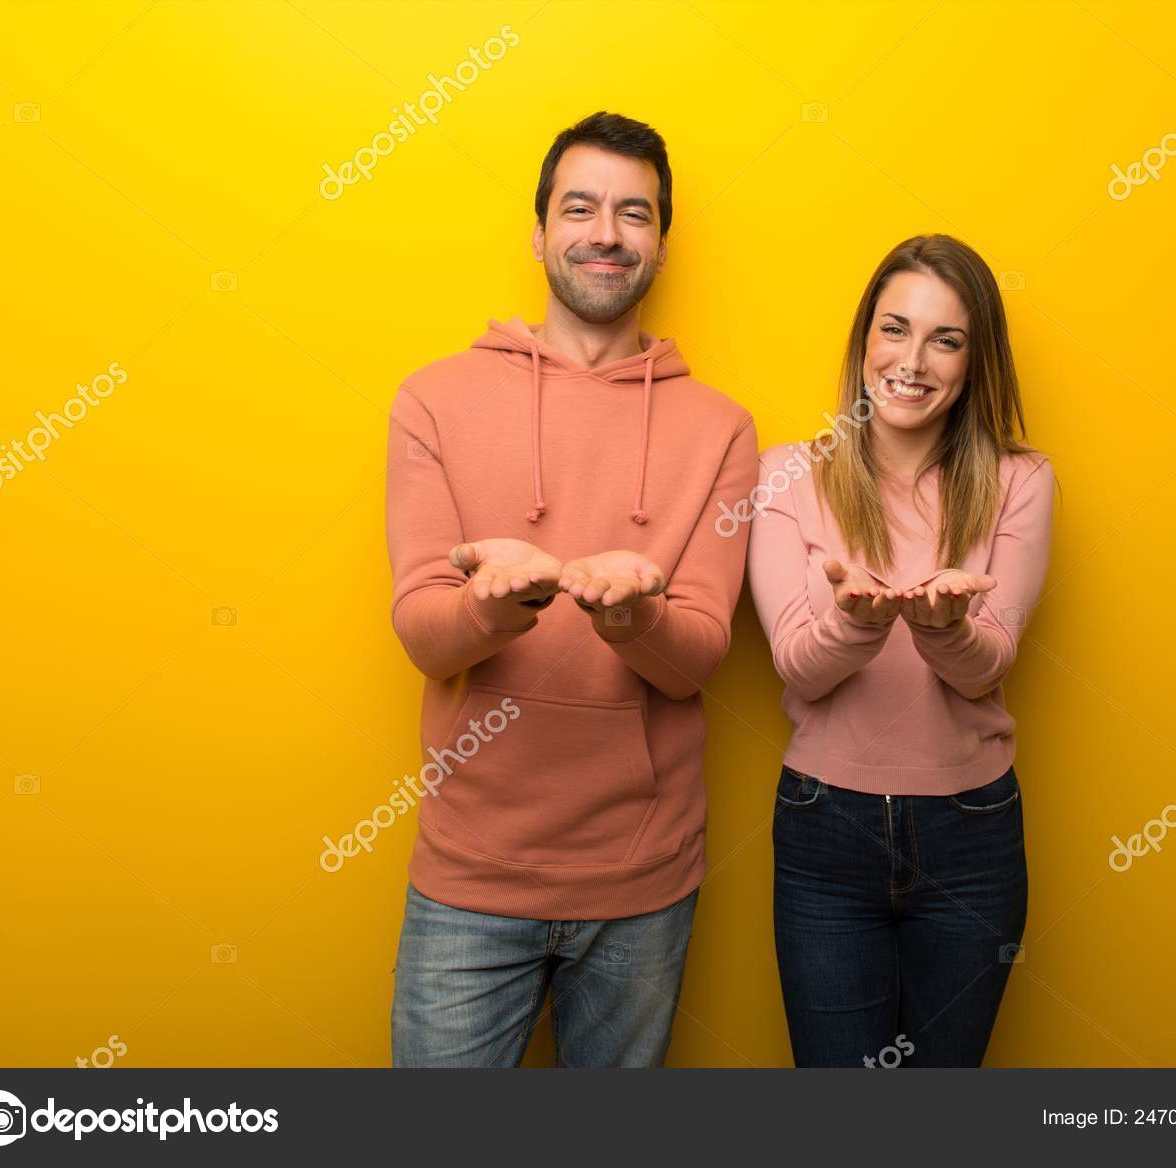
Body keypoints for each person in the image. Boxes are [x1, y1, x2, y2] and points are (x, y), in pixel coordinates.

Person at [384, 111, 758, 1067]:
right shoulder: (432, 400)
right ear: (540, 231)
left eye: (635, 213)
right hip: (472, 879)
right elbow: (426, 637)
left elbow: (699, 656)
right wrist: (495, 603)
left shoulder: (721, 429)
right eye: (580, 207)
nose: (606, 232)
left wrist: (635, 619)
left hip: (642, 885)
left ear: (662, 245)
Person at [746, 234, 1055, 1067]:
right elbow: (797, 667)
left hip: (973, 834)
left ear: (974, 361)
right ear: (863, 340)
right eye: (895, 328)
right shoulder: (786, 477)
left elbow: (989, 663)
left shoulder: (1020, 480)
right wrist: (859, 621)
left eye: (945, 339)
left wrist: (944, 628)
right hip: (824, 834)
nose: (912, 361)